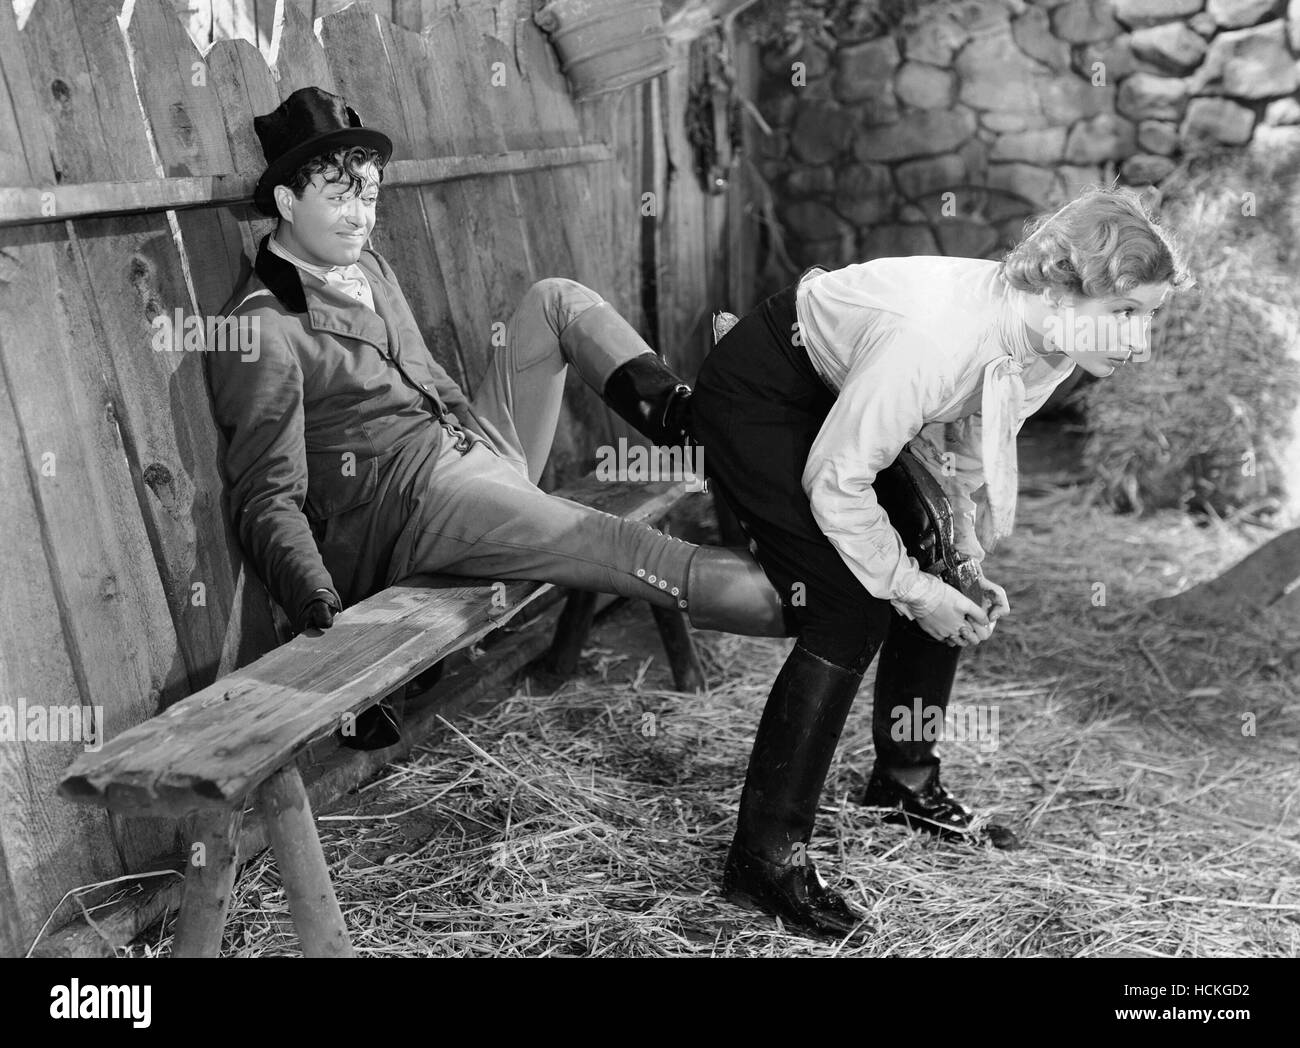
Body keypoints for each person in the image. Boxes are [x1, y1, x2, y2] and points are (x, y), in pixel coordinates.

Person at [207, 87, 789, 750]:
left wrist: (482, 441)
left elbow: (428, 376)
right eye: (337, 198)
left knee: (555, 300)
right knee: (615, 544)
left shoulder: (366, 264)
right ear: (286, 201)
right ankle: (799, 602)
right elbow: (265, 492)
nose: (358, 217)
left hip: (468, 454)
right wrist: (317, 602)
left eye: (368, 196)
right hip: (416, 507)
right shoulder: (262, 329)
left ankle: (687, 425)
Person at [688, 185, 1193, 935]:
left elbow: (962, 452)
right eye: (1125, 314)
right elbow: (839, 479)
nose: (1138, 342)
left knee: (935, 562)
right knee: (850, 603)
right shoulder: (936, 337)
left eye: (1147, 318)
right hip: (763, 389)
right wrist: (910, 590)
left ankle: (903, 779)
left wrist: (957, 556)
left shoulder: (1053, 343)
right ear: (1060, 286)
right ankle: (766, 860)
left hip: (855, 397)